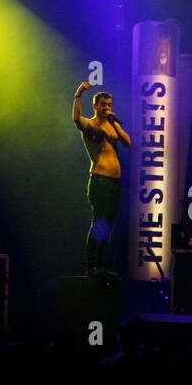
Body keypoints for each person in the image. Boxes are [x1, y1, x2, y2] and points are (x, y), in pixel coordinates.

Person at [72, 82, 131, 278]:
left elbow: (128, 141)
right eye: (103, 104)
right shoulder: (91, 125)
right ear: (95, 106)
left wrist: (114, 122)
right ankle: (92, 265)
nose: (107, 108)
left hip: (114, 183)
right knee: (99, 223)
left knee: (109, 224)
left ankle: (102, 265)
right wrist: (79, 93)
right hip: (100, 180)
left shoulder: (112, 124)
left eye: (109, 105)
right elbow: (75, 118)